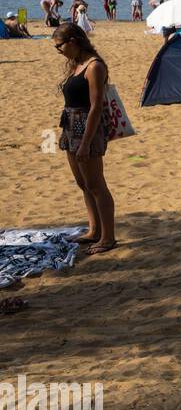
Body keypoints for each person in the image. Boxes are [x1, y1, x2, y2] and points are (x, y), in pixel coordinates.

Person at [53, 23, 117, 253]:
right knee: (83, 184)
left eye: (59, 45)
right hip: (71, 127)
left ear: (73, 41)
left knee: (96, 185)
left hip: (87, 129)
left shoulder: (94, 66)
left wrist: (87, 142)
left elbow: (96, 107)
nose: (58, 50)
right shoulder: (77, 64)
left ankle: (108, 238)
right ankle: (94, 230)